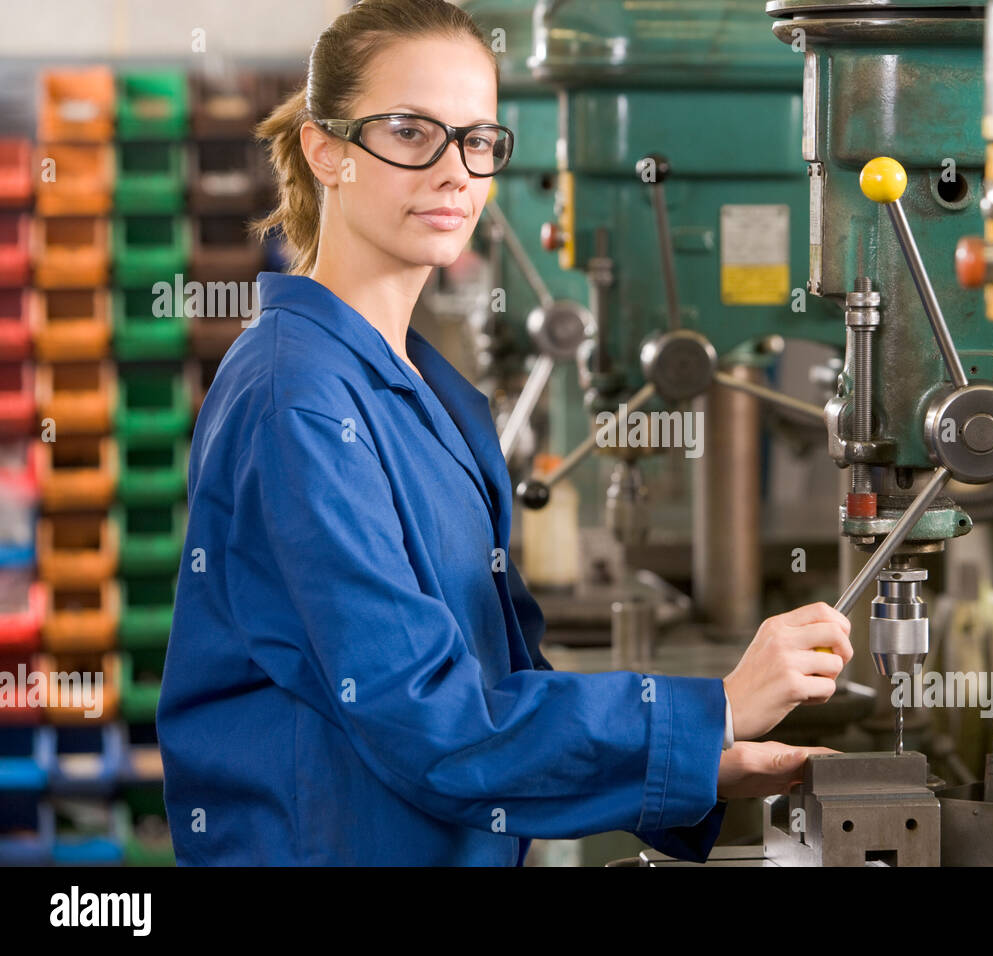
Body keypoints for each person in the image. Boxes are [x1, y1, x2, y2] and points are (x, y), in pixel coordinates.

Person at [157, 0, 852, 866]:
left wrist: (699, 763)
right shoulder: (295, 402)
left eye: (478, 140)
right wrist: (713, 707)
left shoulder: (418, 387)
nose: (456, 173)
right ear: (324, 148)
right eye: (410, 132)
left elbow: (492, 690)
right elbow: (432, 724)